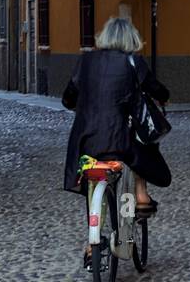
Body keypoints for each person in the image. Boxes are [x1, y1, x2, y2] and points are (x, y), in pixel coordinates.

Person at [62, 17, 171, 260]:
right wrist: (163, 97)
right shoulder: (134, 61)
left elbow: (68, 97)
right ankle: (139, 199)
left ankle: (93, 241)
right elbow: (158, 90)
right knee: (141, 148)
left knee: (94, 178)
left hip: (86, 141)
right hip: (119, 142)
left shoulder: (86, 61)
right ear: (131, 39)